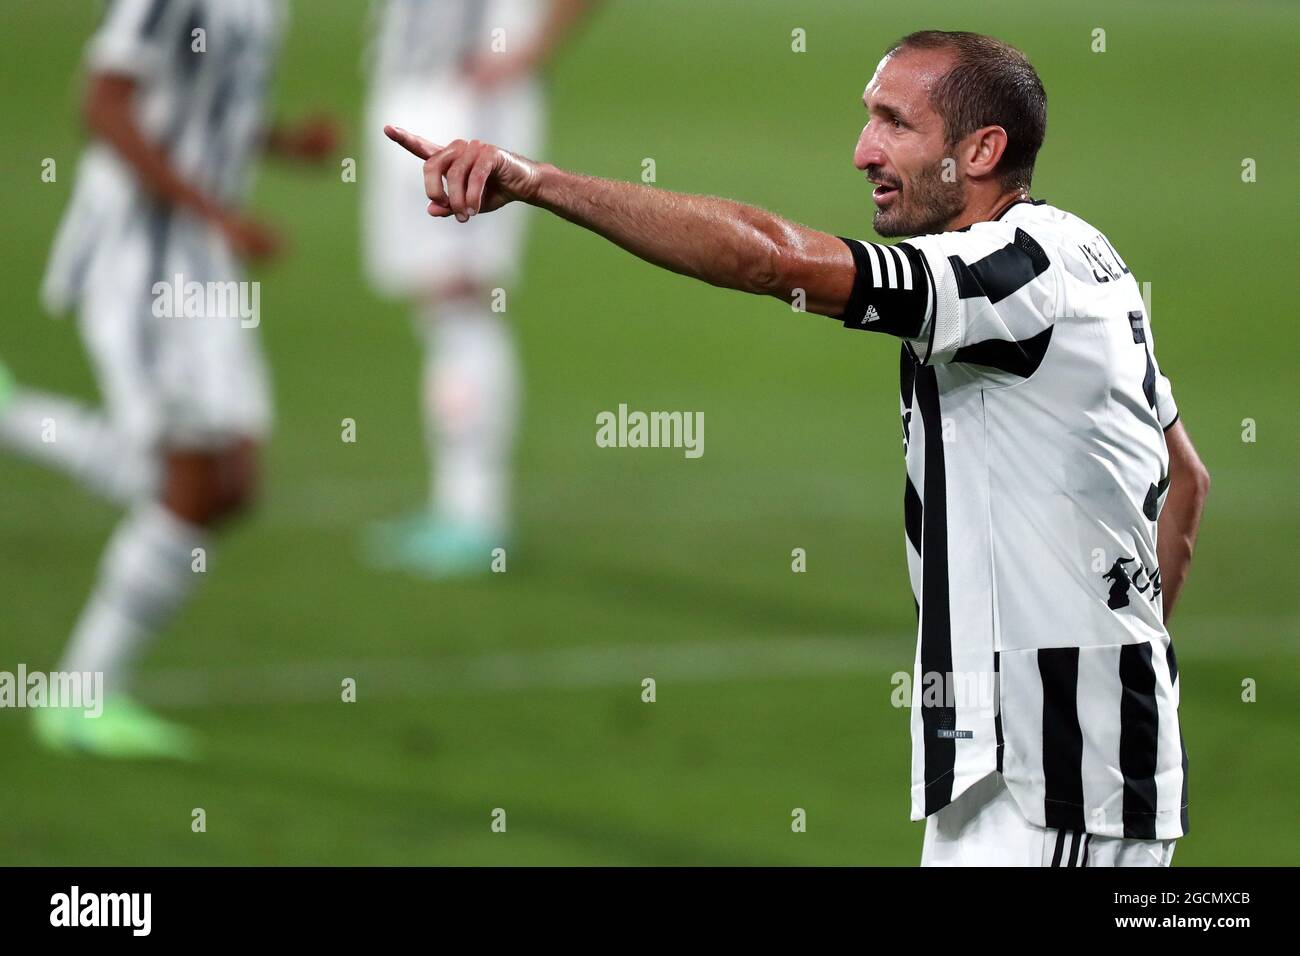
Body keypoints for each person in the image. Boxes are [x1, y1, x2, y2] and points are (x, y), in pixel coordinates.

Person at [381, 29, 1211, 865]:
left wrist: (538, 182)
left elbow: (770, 261)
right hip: (1020, 772)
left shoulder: (1013, 270)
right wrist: (1126, 662)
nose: (863, 151)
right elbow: (1187, 477)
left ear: (982, 150)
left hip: (1058, 784)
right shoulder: (1078, 256)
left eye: (895, 124)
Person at [0, 0, 336, 758]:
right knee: (191, 484)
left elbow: (203, 104)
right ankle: (81, 698)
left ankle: (13, 419)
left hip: (198, 262)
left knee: (232, 482)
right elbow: (104, 104)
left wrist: (283, 144)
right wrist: (212, 211)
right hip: (143, 258)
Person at [360, 0, 598, 576]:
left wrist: (525, 53)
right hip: (416, 84)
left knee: (461, 301)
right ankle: (459, 505)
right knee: (440, 303)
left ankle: (473, 511)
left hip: (470, 97)